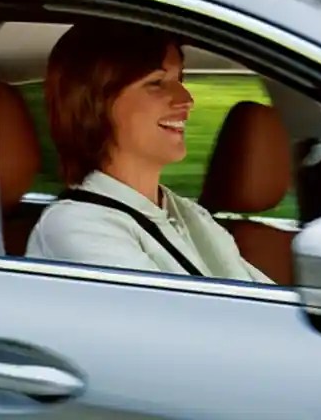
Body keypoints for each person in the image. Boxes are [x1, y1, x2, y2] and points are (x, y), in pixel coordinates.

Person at [26, 20, 272, 284]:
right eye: (157, 82)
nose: (186, 99)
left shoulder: (189, 215)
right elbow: (172, 321)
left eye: (178, 79)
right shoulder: (76, 226)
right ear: (96, 102)